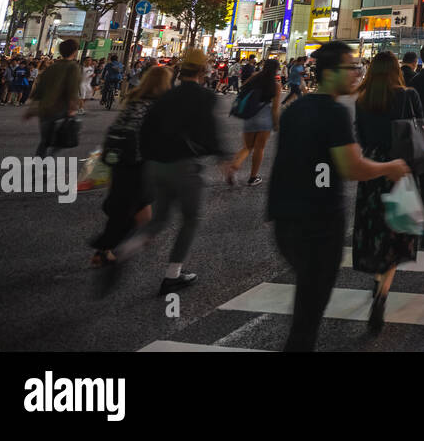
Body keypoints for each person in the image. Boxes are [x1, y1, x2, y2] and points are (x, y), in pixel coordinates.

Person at [266, 42, 407, 351]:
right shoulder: (333, 113)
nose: (357, 73)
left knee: (307, 300)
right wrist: (389, 167)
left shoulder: (295, 109)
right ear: (330, 73)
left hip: (284, 217)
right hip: (318, 222)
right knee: (309, 310)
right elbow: (351, 166)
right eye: (351, 68)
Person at [104, 49, 230, 297]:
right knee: (191, 219)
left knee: (159, 220)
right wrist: (223, 157)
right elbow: (209, 131)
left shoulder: (164, 98)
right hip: (184, 167)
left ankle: (124, 250)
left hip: (155, 166)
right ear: (203, 71)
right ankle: (173, 274)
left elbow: (145, 133)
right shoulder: (204, 97)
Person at [352, 52, 424, 334]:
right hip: (400, 168)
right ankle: (382, 291)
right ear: (397, 70)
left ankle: (376, 276)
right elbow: (421, 128)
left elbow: (359, 135)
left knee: (375, 228)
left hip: (371, 168)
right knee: (396, 232)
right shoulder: (408, 95)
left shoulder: (363, 99)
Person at [90, 66, 171, 267]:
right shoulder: (156, 106)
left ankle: (107, 249)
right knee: (131, 213)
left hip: (119, 159)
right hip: (137, 164)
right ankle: (108, 249)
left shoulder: (134, 100)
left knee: (139, 213)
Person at [228, 57, 282, 186]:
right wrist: (276, 124)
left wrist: (256, 75)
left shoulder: (255, 78)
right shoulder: (276, 85)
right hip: (265, 118)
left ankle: (234, 166)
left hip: (250, 115)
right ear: (276, 70)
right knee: (259, 148)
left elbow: (243, 88)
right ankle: (253, 177)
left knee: (247, 147)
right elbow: (275, 108)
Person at [25, 39, 82, 156]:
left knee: (45, 141)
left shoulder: (51, 67)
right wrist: (72, 108)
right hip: (61, 109)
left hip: (44, 108)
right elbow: (72, 88)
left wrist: (31, 108)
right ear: (75, 51)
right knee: (60, 141)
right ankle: (45, 165)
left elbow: (39, 89)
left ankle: (39, 164)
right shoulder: (73, 67)